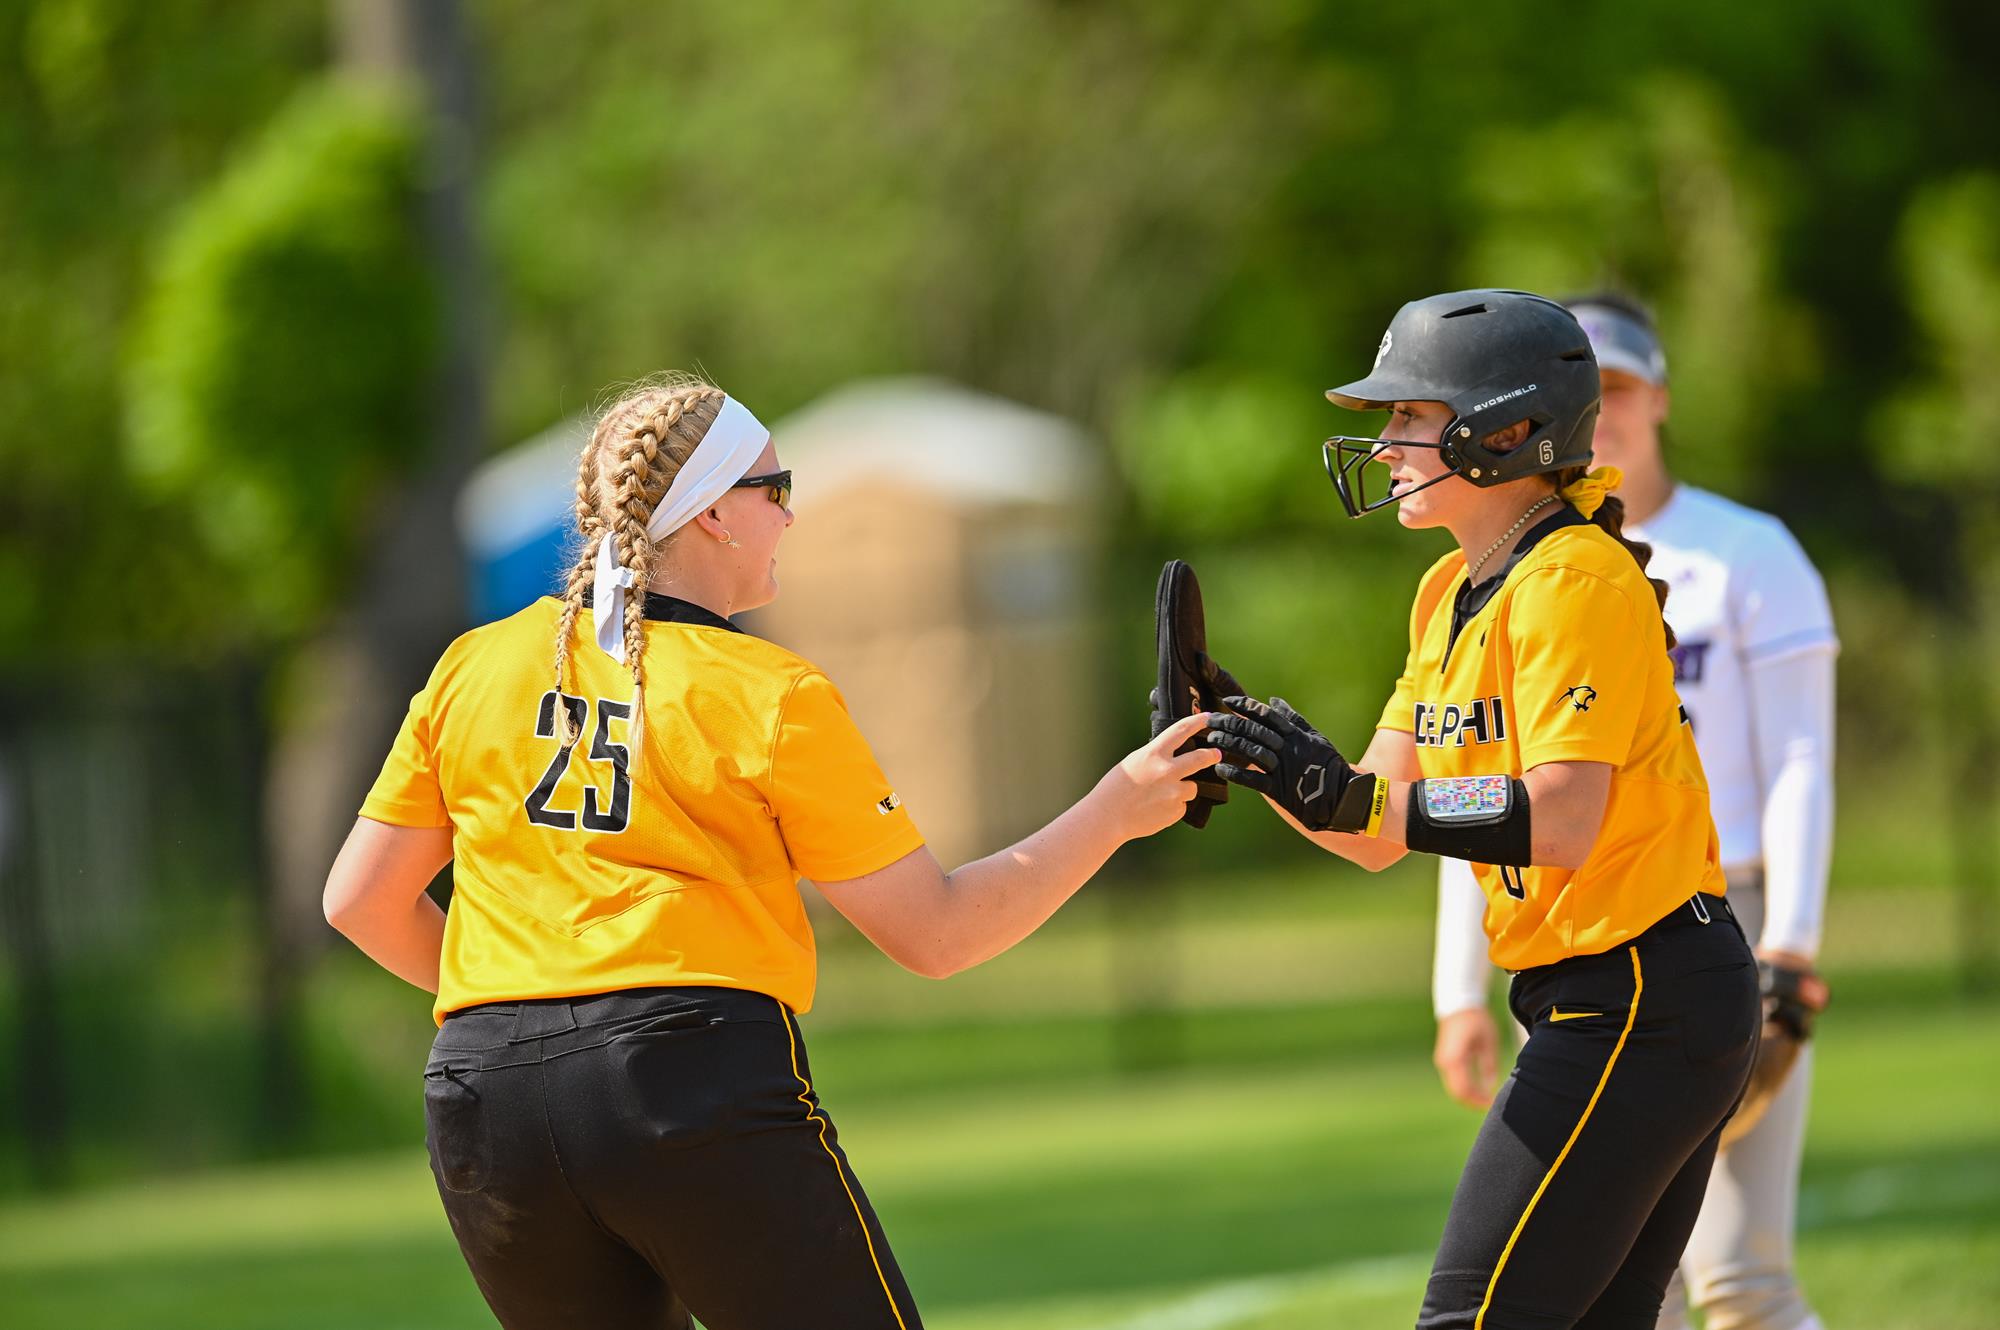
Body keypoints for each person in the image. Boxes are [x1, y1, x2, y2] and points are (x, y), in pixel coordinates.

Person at [322, 376, 1221, 1330]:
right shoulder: (768, 690)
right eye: (776, 488)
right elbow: (938, 933)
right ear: (712, 514)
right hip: (679, 1078)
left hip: (482, 1096)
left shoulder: (475, 664)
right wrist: (1117, 808)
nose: (792, 515)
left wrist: (528, 1022)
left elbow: (359, 902)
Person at [1197, 289, 1760, 1330]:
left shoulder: (1572, 579)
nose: (1385, 442)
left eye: (1409, 416)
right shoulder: (1449, 589)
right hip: (1610, 993)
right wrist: (1254, 750)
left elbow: (1557, 819)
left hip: (1642, 990)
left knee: (1470, 1318)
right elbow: (1369, 828)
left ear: (1504, 431)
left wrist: (1361, 795)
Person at [1430, 294, 1836, 1330]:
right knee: (1616, 1306)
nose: (1598, 410)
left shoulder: (1739, 552)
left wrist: (1788, 943)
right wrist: (1454, 985)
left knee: (1740, 1280)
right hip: (1567, 924)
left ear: (1655, 398)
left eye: (1616, 387)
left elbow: (1796, 758)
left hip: (1705, 908)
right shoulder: (1483, 575)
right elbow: (1462, 787)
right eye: (1583, 388)